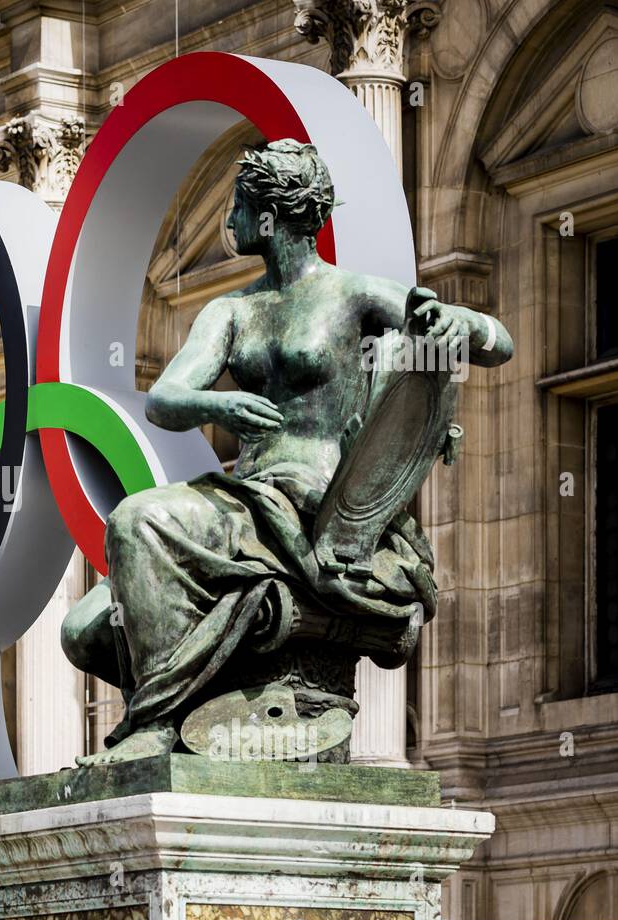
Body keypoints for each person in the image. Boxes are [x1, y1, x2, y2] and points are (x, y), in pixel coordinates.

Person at [61, 139, 513, 764]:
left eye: (239, 208)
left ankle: (157, 726)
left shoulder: (352, 294)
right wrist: (218, 406)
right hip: (247, 500)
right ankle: (209, 711)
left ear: (269, 217)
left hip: (320, 505)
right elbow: (165, 397)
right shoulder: (232, 311)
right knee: (84, 631)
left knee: (137, 520)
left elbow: (499, 342)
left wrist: (462, 326)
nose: (230, 223)